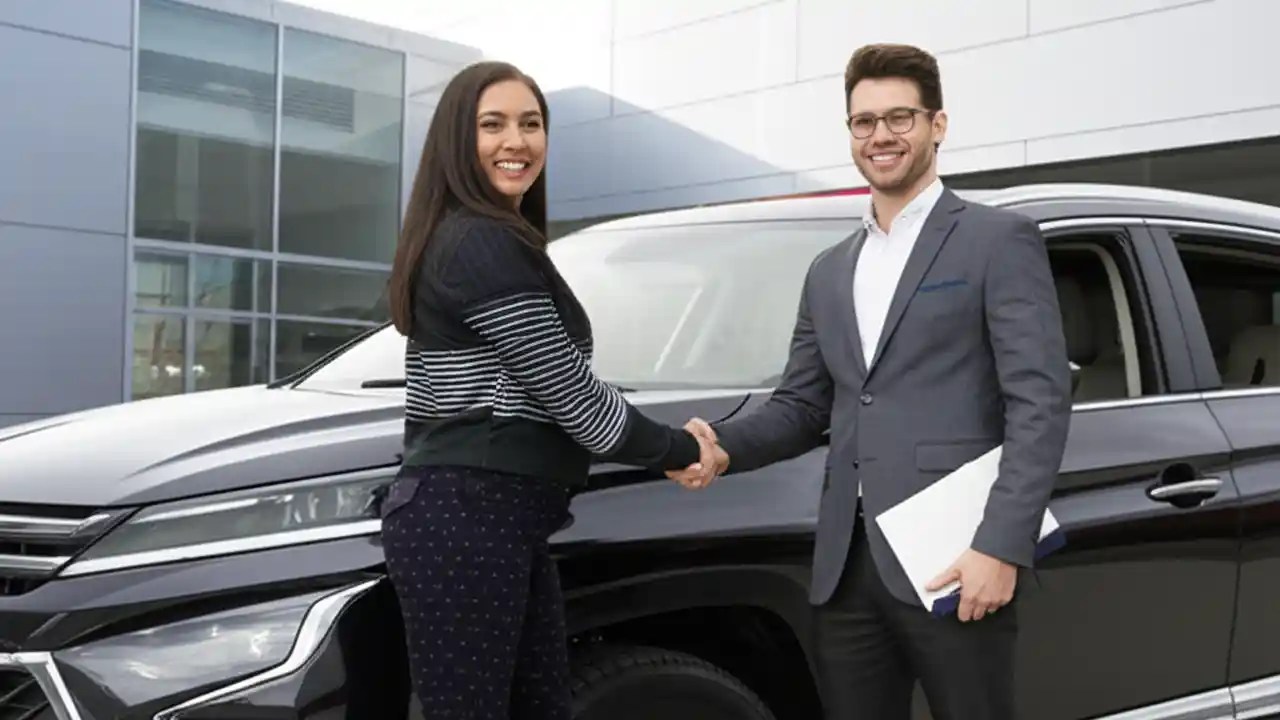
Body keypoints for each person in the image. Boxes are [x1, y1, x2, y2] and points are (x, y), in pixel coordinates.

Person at [669, 43, 1072, 719]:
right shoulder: (829, 269)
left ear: (937, 124)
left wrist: (1001, 544)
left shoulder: (998, 240)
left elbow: (1040, 401)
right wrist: (720, 447)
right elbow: (802, 406)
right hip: (846, 574)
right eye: (863, 122)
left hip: (955, 560)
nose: (880, 135)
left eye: (899, 117)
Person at [380, 60, 715, 719]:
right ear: (458, 139)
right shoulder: (479, 243)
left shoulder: (488, 239)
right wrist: (680, 447)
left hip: (496, 519)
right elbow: (575, 401)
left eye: (532, 124)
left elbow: (553, 383)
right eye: (493, 124)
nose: (518, 141)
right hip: (469, 518)